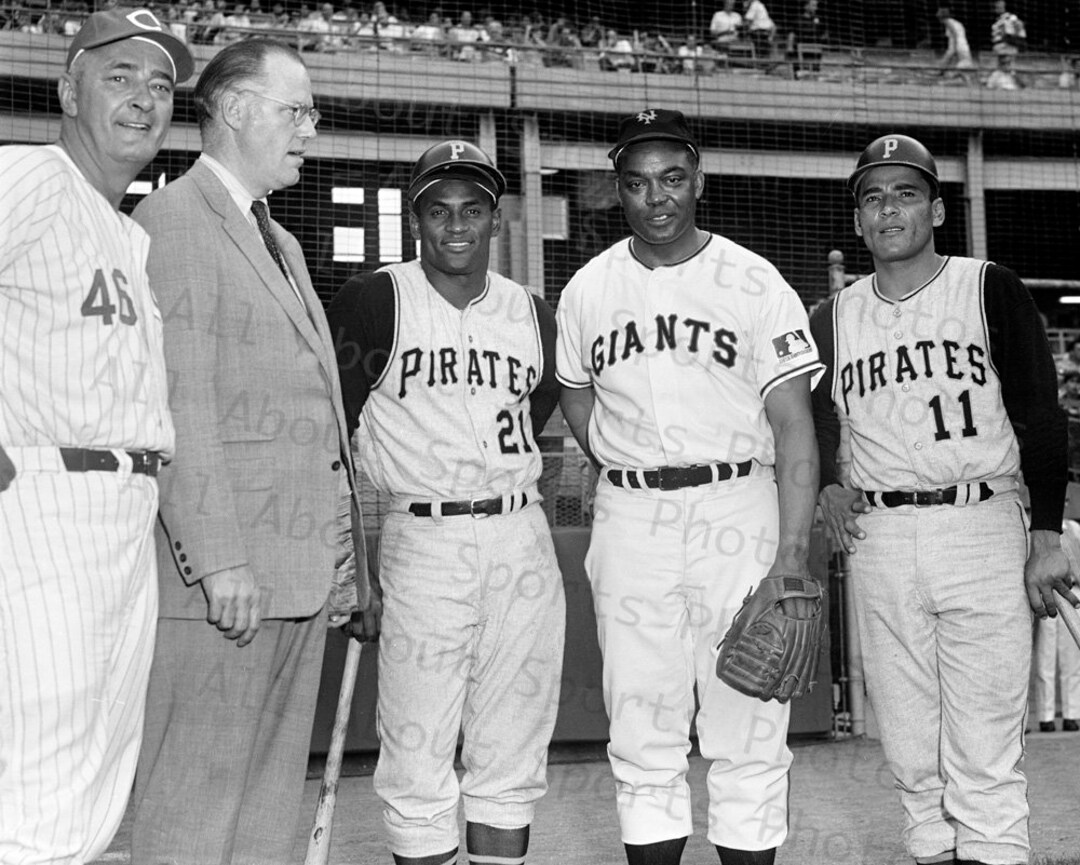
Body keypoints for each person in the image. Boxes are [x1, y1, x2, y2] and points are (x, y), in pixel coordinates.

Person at [128, 38, 376, 864]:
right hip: (223, 588)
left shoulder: (281, 239)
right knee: (194, 808)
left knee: (267, 809)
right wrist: (222, 559)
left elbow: (315, 412)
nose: (310, 128)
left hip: (294, 579)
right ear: (235, 110)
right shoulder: (172, 221)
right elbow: (179, 405)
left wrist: (343, 559)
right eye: (296, 110)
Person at [556, 108, 823, 865]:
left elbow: (794, 423)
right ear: (620, 191)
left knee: (747, 724)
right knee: (641, 725)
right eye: (638, 183)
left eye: (672, 177)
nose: (657, 197)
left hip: (737, 500)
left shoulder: (752, 278)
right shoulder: (587, 287)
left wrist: (792, 552)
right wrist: (620, 460)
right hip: (631, 510)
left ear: (698, 177)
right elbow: (576, 395)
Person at [811, 133, 1077, 865]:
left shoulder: (988, 284)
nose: (888, 208)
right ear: (859, 219)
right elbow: (812, 417)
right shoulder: (831, 318)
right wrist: (828, 484)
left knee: (985, 749)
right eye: (872, 196)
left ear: (935, 208)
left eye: (904, 192)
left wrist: (1047, 534)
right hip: (882, 535)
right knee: (907, 745)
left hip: (981, 521)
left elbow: (1040, 413)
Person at [327, 140, 566, 865]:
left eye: (472, 209)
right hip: (420, 536)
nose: (455, 224)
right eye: (438, 209)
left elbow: (541, 408)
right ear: (416, 220)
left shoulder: (533, 314)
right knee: (417, 750)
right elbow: (331, 441)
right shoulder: (374, 301)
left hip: (520, 534)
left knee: (511, 749)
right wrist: (354, 572)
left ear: (495, 219)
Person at [0, 8, 191, 862]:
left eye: (160, 86)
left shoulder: (124, 229)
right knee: (39, 774)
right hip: (44, 501)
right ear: (67, 86)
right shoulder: (34, 176)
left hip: (122, 510)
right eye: (119, 77)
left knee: (94, 779)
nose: (144, 99)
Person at [1032, 520, 1080, 732]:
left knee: (1071, 660)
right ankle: (1046, 715)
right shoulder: (1038, 526)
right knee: (1045, 656)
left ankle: (1072, 713)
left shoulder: (1075, 529)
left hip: (1073, 590)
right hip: (1047, 591)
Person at [936, 7, 976, 83]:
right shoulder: (956, 23)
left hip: (960, 48)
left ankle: (943, 74)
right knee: (961, 70)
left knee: (956, 70)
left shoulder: (948, 22)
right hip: (964, 47)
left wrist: (942, 66)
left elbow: (954, 33)